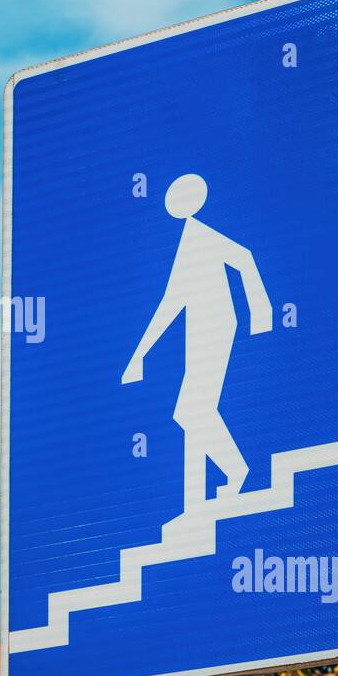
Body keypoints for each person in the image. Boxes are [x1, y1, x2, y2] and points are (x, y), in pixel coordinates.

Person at [122, 173, 272, 511]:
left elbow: (245, 258)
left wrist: (262, 311)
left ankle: (236, 472)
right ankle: (225, 480)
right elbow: (171, 301)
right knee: (189, 412)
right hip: (201, 330)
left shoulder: (200, 236)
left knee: (192, 411)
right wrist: (140, 355)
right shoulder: (188, 240)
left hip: (216, 326)